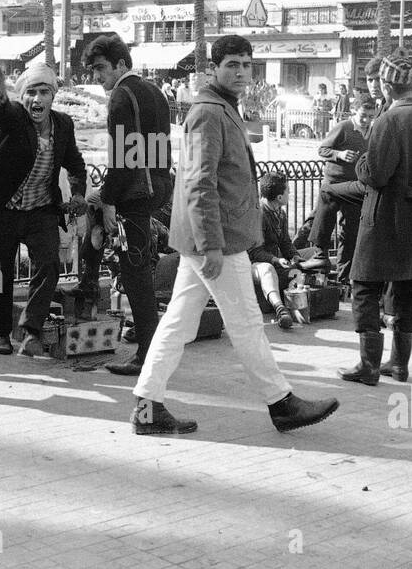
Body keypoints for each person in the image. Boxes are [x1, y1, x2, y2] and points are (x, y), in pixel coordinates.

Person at [130, 34, 339, 436]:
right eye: (233, 65)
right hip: (217, 241)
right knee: (245, 323)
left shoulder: (222, 108)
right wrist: (210, 244)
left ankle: (147, 406)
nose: (241, 72)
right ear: (213, 68)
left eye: (247, 64)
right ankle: (282, 403)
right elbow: (197, 182)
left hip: (214, 239)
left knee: (179, 322)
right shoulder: (209, 112)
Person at [0, 58, 87, 357]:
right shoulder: (16, 116)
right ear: (23, 97)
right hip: (2, 212)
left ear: (53, 96)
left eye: (44, 92)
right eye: (31, 92)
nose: (37, 99)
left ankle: (31, 330)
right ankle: (2, 331)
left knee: (49, 265)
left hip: (40, 211)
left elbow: (75, 164)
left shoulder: (63, 124)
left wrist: (79, 193)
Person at [338, 54, 412, 385]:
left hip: (385, 217)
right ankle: (399, 365)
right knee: (406, 291)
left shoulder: (386, 122)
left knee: (365, 286)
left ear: (387, 86)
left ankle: (369, 365)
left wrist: (360, 163)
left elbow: (374, 174)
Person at [77, 33, 171, 375]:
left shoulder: (122, 96)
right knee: (139, 269)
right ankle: (151, 348)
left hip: (134, 195)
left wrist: (110, 199)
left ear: (121, 64)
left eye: (101, 68)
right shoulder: (155, 92)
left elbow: (123, 159)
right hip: (157, 188)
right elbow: (159, 148)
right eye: (93, 71)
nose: (97, 77)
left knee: (135, 275)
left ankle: (146, 356)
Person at [307, 96, 374, 279]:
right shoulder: (344, 127)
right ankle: (320, 255)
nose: (366, 120)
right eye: (363, 115)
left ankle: (344, 276)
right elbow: (323, 149)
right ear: (354, 111)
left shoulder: (373, 131)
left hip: (354, 187)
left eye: (370, 116)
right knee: (324, 219)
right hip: (334, 183)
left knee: (350, 231)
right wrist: (340, 154)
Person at [249, 172, 301, 330]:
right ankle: (281, 309)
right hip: (254, 265)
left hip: (274, 260)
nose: (289, 194)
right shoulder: (258, 215)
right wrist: (276, 260)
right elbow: (254, 252)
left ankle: (298, 302)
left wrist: (295, 256)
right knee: (268, 269)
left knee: (312, 254)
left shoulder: (280, 213)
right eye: (288, 191)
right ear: (279, 197)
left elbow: (285, 242)